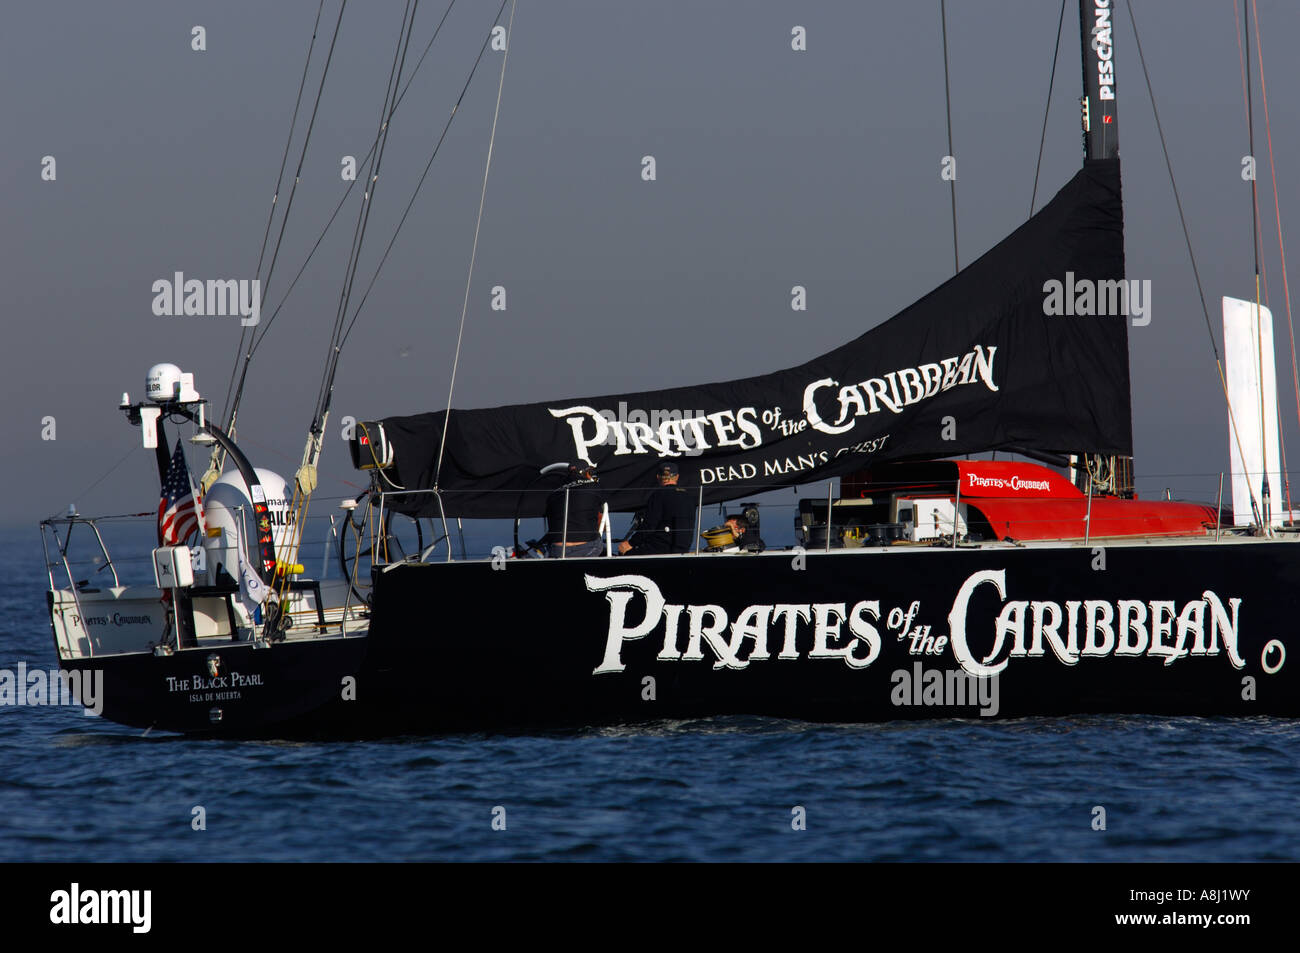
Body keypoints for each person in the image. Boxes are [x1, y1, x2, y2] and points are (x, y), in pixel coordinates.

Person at [618, 461, 695, 555]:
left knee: (624, 551)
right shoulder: (689, 497)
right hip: (682, 550)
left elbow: (649, 525)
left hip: (658, 549)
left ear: (658, 477)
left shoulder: (658, 495)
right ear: (677, 476)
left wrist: (631, 543)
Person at [541, 465, 607, 558]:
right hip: (587, 548)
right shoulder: (594, 487)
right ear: (586, 473)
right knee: (601, 544)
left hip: (558, 550)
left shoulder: (553, 494)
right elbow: (602, 526)